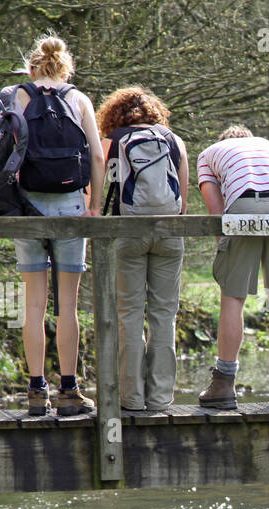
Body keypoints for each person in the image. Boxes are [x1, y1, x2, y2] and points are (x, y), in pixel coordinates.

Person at [12, 35, 104, 417]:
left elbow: (1, 151)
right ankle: (69, 391)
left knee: (34, 304)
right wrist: (94, 207)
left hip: (27, 205)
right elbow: (97, 156)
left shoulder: (15, 95)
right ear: (65, 67)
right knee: (68, 305)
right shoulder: (78, 99)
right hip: (70, 207)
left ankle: (36, 391)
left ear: (33, 67)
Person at [194, 125, 269, 409]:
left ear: (224, 142)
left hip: (242, 206)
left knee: (233, 297)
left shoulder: (209, 154)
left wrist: (226, 248)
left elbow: (216, 212)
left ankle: (224, 385)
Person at [96, 87, 188, 413]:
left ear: (114, 114)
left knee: (130, 317)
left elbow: (99, 182)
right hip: (170, 234)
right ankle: (161, 400)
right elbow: (183, 202)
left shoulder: (113, 140)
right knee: (165, 317)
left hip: (128, 233)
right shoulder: (173, 140)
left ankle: (131, 400)